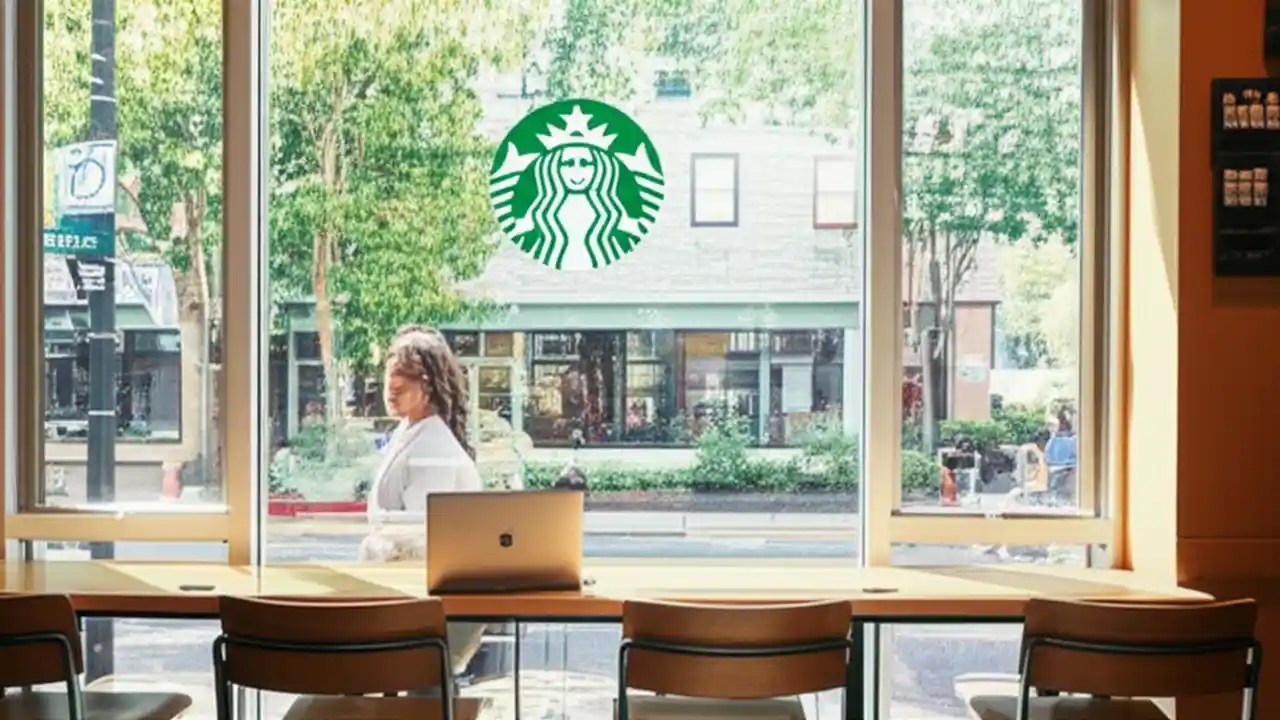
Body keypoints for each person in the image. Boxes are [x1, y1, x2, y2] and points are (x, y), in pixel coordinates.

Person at [359, 324, 485, 691]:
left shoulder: (432, 447)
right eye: (390, 374)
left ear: (429, 385)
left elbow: (416, 540)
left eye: (404, 379)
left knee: (424, 693)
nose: (391, 386)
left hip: (429, 609)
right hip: (418, 604)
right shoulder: (411, 431)